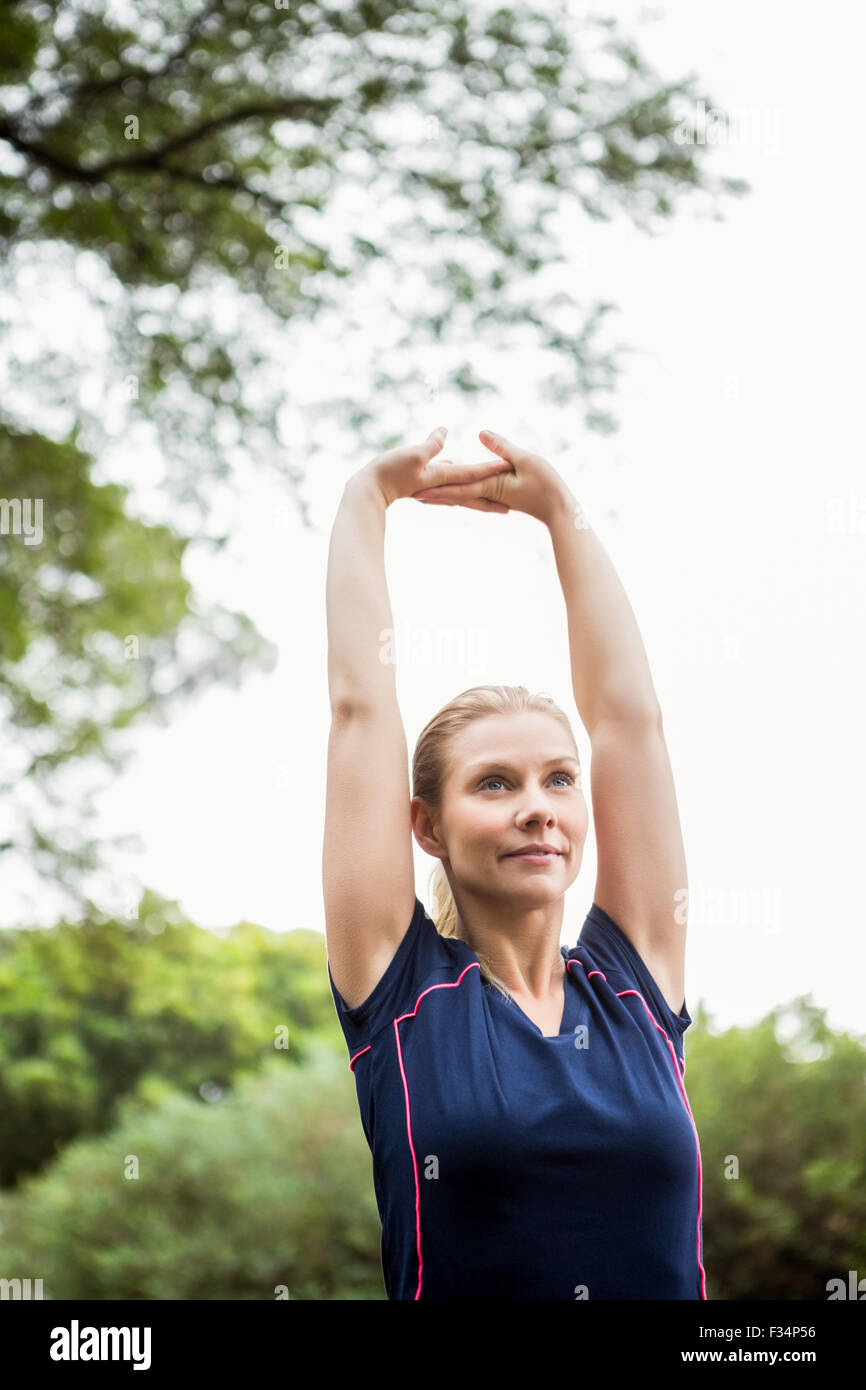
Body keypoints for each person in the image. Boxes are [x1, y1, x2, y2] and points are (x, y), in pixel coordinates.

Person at [322, 425, 706, 1300]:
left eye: (558, 779)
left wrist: (561, 514)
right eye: (494, 784)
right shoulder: (401, 990)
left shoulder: (637, 985)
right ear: (425, 826)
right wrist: (366, 499)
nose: (537, 804)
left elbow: (629, 722)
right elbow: (359, 712)